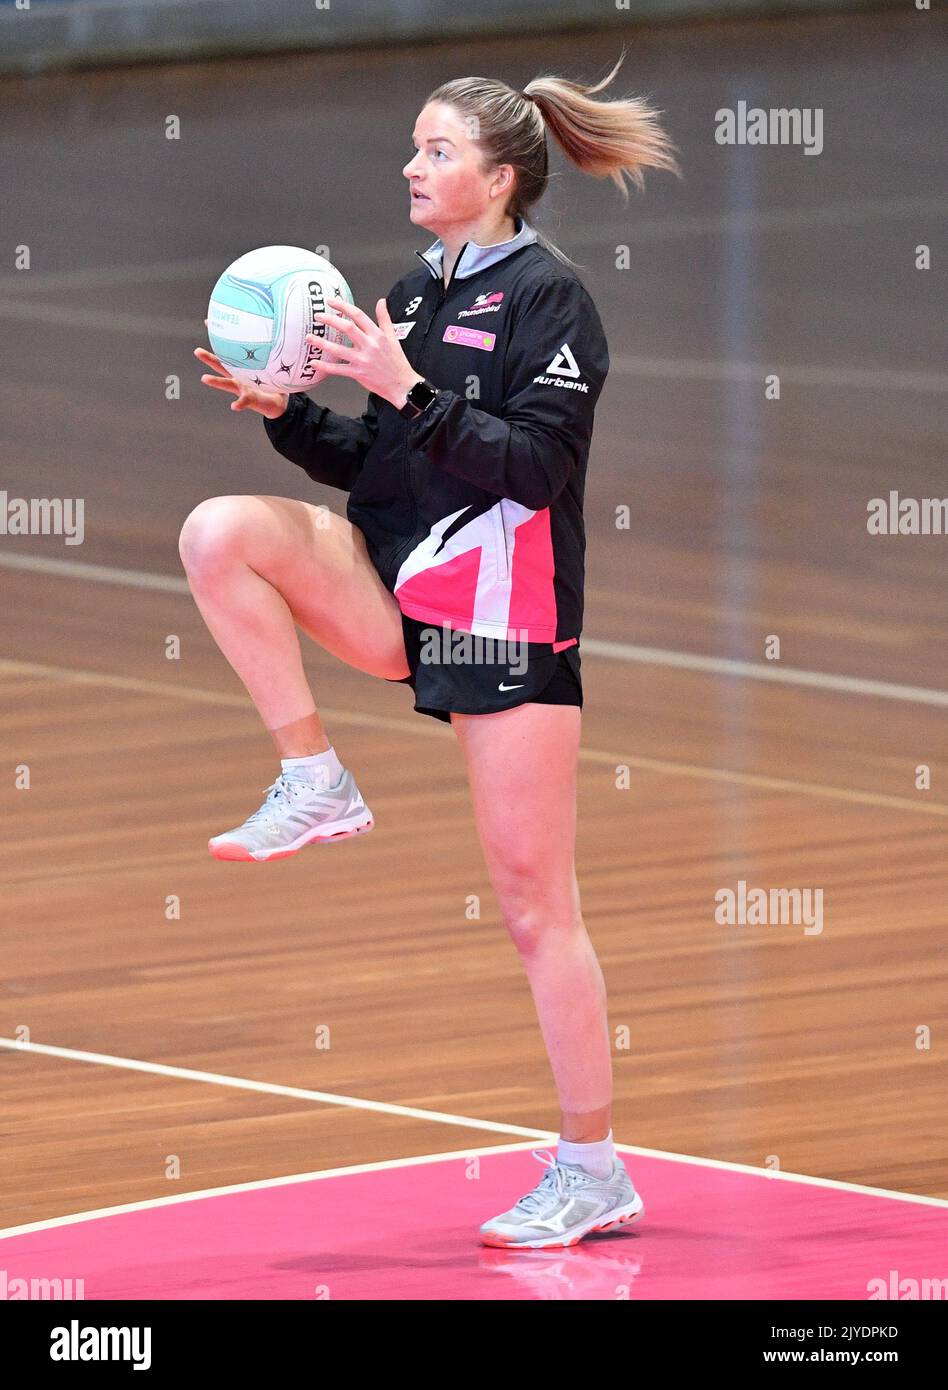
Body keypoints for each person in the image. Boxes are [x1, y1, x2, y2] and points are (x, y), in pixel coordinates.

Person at [181, 49, 679, 1249]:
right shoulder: (409, 291)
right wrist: (291, 416)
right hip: (401, 588)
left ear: (502, 179)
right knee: (219, 534)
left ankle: (593, 1164)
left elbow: (534, 468)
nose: (413, 165)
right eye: (414, 147)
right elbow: (386, 466)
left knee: (532, 905)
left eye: (438, 150)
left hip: (507, 618)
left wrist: (404, 389)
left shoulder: (552, 300)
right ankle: (314, 776)